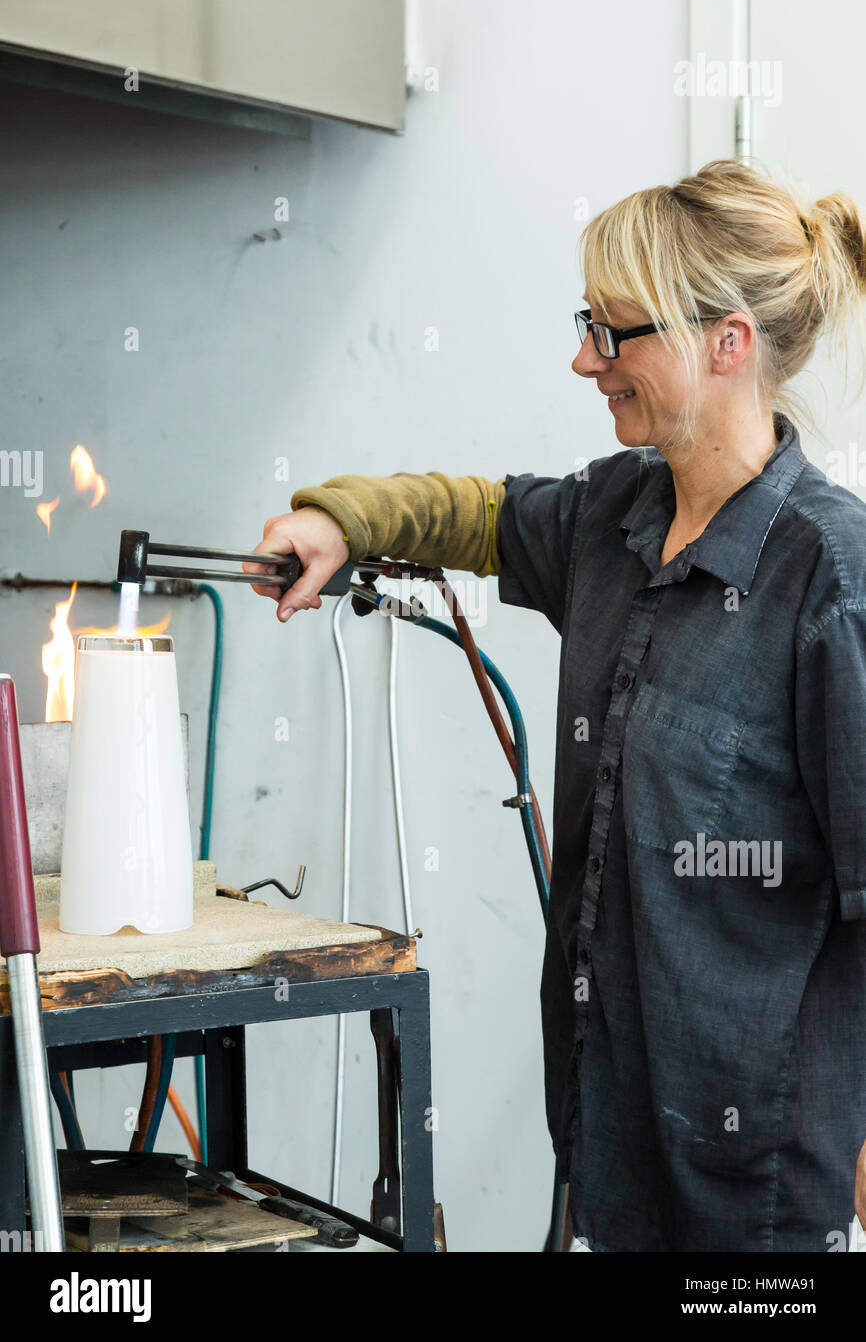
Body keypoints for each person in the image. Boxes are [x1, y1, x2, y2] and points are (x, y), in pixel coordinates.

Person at [246, 159, 866, 1252]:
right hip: (608, 1150)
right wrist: (340, 518)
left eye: (614, 332)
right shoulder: (611, 517)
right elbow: (468, 514)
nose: (585, 359)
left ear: (725, 343)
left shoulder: (829, 579)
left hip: (761, 1191)